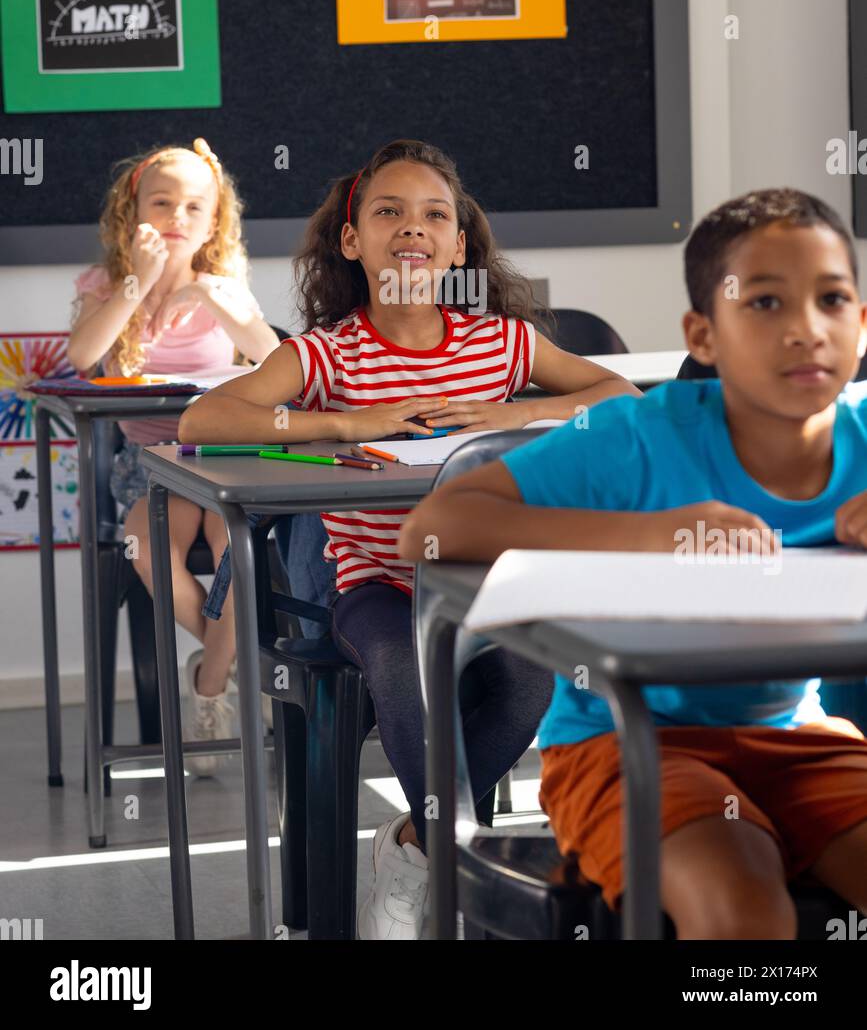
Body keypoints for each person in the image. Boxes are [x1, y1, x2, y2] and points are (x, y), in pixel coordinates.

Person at [181, 136, 640, 935]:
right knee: (400, 668)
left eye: (434, 214)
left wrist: (514, 410)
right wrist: (347, 420)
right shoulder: (328, 352)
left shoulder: (502, 345)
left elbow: (620, 393)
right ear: (352, 240)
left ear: (458, 245)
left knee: (531, 679)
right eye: (387, 212)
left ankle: (417, 850)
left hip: (486, 581)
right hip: (377, 583)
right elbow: (202, 418)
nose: (412, 228)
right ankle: (446, 865)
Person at [400, 188, 867, 939]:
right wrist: (653, 535)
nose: (805, 330)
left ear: (861, 322)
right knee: (743, 910)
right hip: (622, 745)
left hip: (799, 740)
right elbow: (432, 527)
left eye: (831, 299)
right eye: (765, 304)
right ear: (702, 335)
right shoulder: (638, 437)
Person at [68, 138, 278, 774]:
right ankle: (235, 664)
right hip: (149, 461)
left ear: (213, 221)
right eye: (162, 203)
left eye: (194, 206)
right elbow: (83, 358)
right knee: (146, 547)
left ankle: (210, 680)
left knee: (235, 549)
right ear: (134, 214)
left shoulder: (226, 284)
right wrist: (138, 281)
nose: (178, 217)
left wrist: (217, 300)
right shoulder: (107, 284)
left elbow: (273, 361)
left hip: (222, 453)